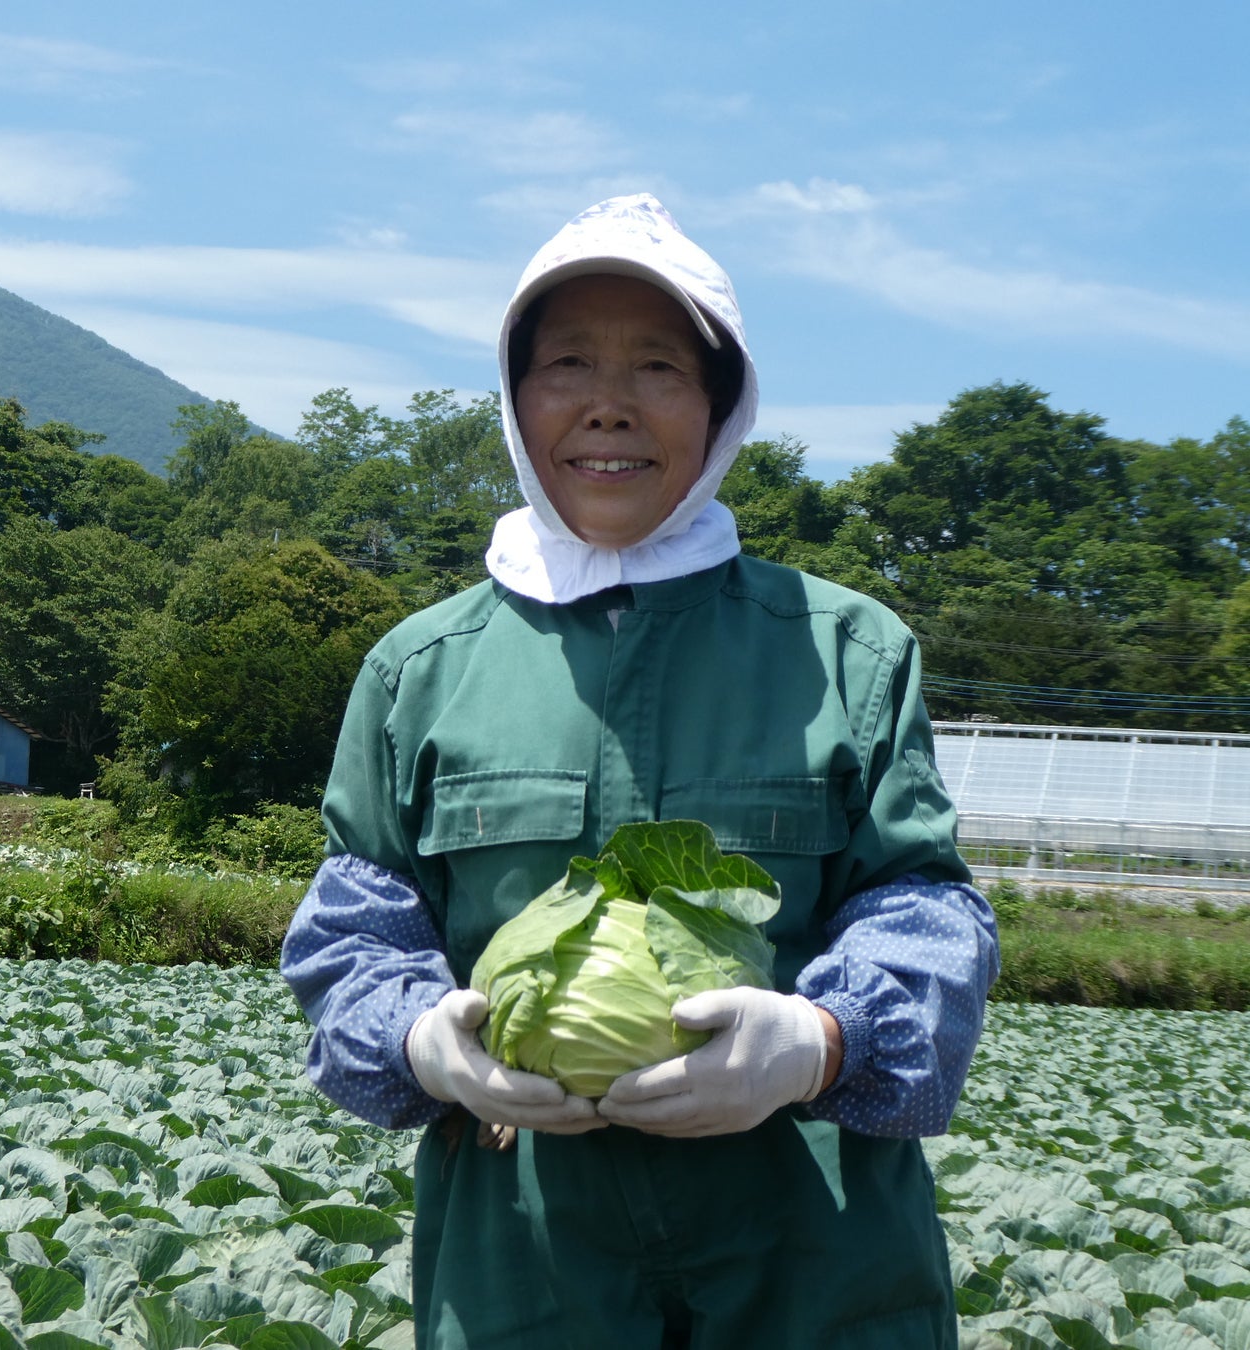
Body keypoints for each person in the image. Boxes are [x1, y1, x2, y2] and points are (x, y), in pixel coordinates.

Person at [280, 193, 1000, 1349]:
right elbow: (353, 933)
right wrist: (424, 1040)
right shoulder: (420, 670)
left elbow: (926, 905)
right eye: (567, 361)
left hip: (812, 1251)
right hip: (524, 1262)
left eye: (660, 366)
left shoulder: (846, 651)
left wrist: (822, 1044)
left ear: (718, 408)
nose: (608, 403)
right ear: (516, 400)